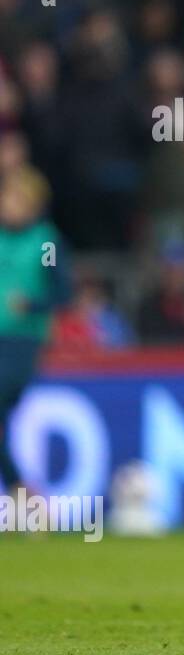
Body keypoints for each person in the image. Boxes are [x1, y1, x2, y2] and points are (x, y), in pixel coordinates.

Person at [0, 171, 71, 497]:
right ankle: (23, 494)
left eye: (13, 197)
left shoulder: (45, 241)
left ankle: (21, 491)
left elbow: (63, 293)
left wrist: (31, 304)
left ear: (31, 204)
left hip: (21, 342)